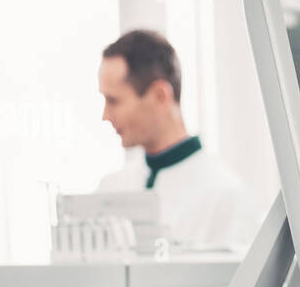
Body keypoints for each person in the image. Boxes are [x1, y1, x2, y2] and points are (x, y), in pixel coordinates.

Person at [96, 29, 256, 249]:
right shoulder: (109, 190)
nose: (105, 116)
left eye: (113, 100)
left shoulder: (226, 198)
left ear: (160, 96)